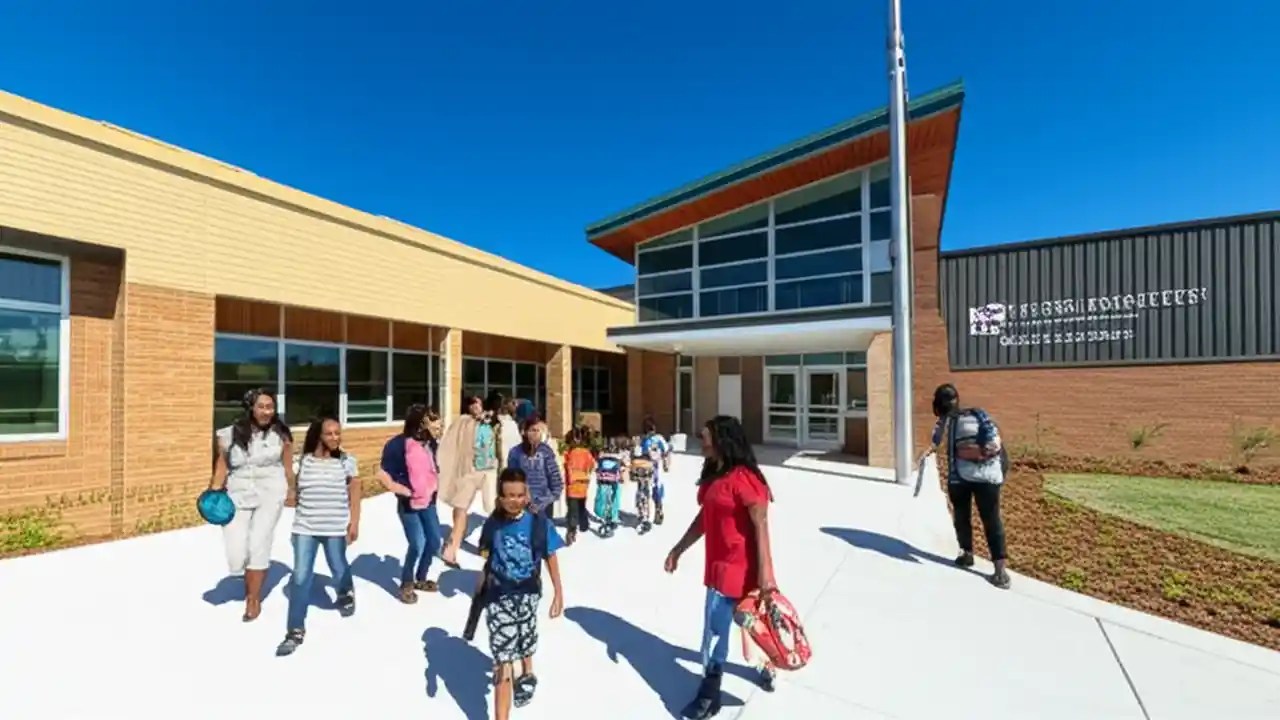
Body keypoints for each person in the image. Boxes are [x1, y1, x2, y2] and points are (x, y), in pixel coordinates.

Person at [665, 416, 779, 719]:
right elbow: (706, 518)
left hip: (745, 571)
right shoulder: (715, 475)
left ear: (721, 441)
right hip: (718, 569)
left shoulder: (746, 479)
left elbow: (761, 526)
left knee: (750, 629)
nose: (700, 441)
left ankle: (754, 671)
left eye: (705, 437)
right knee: (717, 632)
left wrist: (766, 576)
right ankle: (712, 691)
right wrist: (678, 549)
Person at [476, 467, 565, 718]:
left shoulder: (538, 522)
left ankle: (527, 672)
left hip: (527, 593)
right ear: (500, 497)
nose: (515, 501)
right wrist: (481, 584)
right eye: (509, 496)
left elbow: (550, 554)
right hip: (499, 596)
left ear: (527, 493)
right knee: (503, 660)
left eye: (519, 495)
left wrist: (558, 591)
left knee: (526, 639)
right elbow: (485, 554)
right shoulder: (492, 524)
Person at [276, 415, 360, 656]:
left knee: (339, 566)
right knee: (301, 577)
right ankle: (295, 630)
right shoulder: (304, 462)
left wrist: (354, 522)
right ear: (318, 436)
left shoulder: (346, 462)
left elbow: (355, 493)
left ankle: (345, 591)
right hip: (305, 528)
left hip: (334, 528)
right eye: (330, 433)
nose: (335, 438)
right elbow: (291, 485)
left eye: (338, 433)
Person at [210, 388, 294, 622]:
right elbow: (222, 466)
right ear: (250, 408)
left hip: (271, 490)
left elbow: (288, 467)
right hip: (238, 491)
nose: (267, 411)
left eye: (270, 407)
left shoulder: (282, 434)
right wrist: (214, 493)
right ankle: (244, 573)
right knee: (235, 549)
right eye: (262, 406)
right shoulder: (228, 435)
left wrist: (293, 491)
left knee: (259, 542)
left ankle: (253, 599)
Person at [926, 383, 1011, 589]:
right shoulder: (977, 415)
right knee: (992, 520)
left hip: (959, 477)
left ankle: (966, 555)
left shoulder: (945, 422)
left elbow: (934, 442)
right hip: (988, 477)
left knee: (962, 517)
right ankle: (1000, 571)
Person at [377, 404, 444, 603]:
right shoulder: (398, 445)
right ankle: (406, 582)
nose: (435, 428)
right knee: (417, 543)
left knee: (433, 541)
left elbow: (432, 467)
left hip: (428, 500)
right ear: (419, 423)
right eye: (431, 422)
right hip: (409, 503)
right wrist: (403, 490)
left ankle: (421, 578)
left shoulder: (430, 442)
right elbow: (383, 474)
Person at [438, 395, 498, 568]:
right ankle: (452, 548)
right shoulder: (463, 422)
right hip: (469, 470)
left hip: (489, 469)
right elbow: (451, 444)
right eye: (472, 404)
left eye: (478, 403)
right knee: (461, 507)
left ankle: (492, 546)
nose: (476, 407)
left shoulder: (491, 420)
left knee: (494, 508)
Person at [505, 415, 564, 518]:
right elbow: (512, 481)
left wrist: (545, 501)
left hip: (544, 507)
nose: (537, 434)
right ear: (524, 432)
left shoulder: (546, 452)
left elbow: (556, 481)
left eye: (538, 431)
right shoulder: (515, 453)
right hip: (522, 505)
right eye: (533, 430)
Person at [562, 427, 595, 544]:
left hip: (572, 484)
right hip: (583, 482)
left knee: (573, 508)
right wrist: (586, 472)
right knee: (582, 505)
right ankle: (584, 525)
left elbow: (567, 466)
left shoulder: (569, 453)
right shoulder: (586, 452)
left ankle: (572, 529)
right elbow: (592, 464)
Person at [639, 417, 673, 525]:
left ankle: (645, 515)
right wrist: (665, 464)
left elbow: (638, 454)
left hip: (645, 469)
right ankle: (657, 510)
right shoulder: (658, 438)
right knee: (655, 490)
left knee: (644, 491)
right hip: (654, 468)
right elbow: (667, 450)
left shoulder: (644, 440)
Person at [593, 436, 628, 537]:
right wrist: (623, 476)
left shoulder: (601, 455)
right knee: (615, 497)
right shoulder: (619, 455)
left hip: (603, 479)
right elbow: (623, 466)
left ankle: (603, 516)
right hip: (614, 479)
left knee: (602, 497)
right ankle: (613, 517)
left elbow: (597, 466)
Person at [630, 435, 658, 534]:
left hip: (639, 472)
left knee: (641, 492)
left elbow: (632, 458)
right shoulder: (652, 442)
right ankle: (646, 517)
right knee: (646, 494)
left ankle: (642, 514)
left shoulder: (637, 445)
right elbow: (655, 457)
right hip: (647, 472)